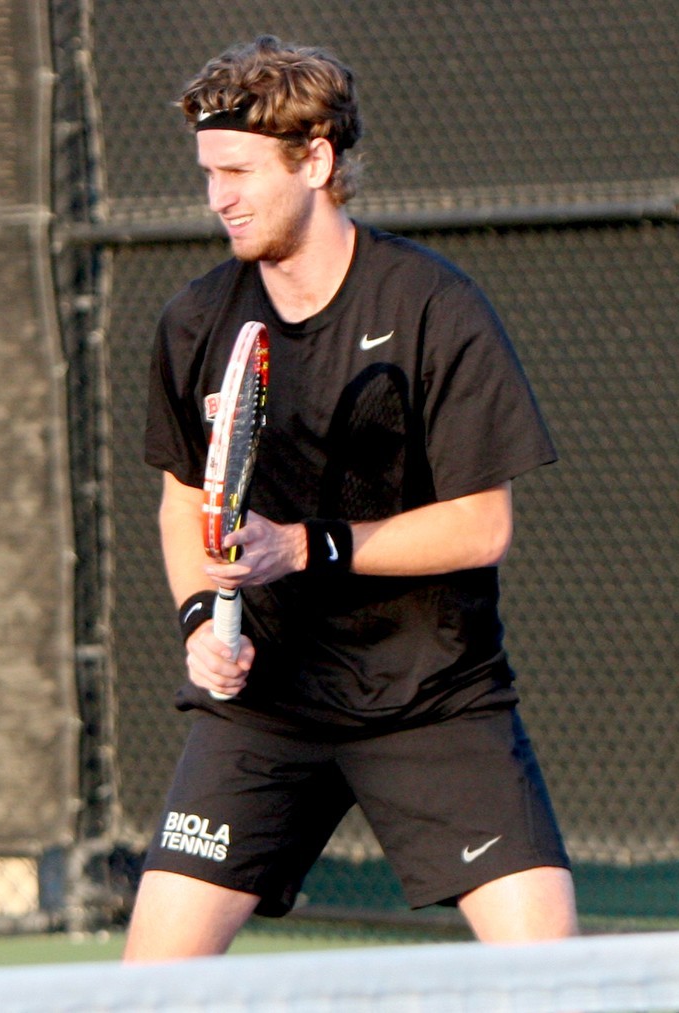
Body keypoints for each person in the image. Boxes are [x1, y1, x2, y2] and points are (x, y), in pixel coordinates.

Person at [124, 35, 578, 961]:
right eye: (209, 172)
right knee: (150, 984)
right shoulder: (197, 321)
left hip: (432, 696)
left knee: (551, 980)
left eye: (240, 170)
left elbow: (483, 525)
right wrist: (201, 619)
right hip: (265, 708)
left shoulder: (434, 309)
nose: (220, 197)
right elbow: (183, 502)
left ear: (317, 160)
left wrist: (301, 546)